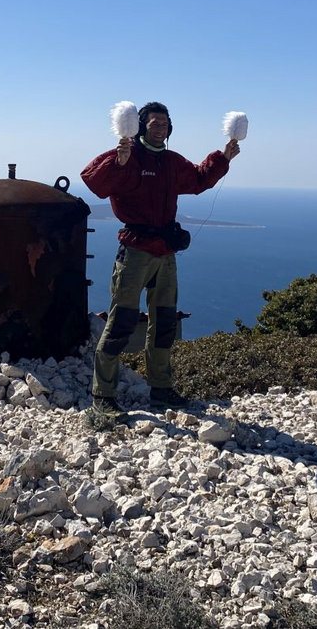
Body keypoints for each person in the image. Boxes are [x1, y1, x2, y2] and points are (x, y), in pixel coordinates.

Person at [81, 102, 240, 416]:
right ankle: (102, 397)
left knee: (165, 322)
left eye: (165, 124)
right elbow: (94, 182)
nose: (161, 129)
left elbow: (198, 180)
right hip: (135, 251)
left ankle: (162, 391)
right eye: (155, 124)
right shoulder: (126, 156)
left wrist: (223, 157)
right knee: (121, 322)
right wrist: (119, 161)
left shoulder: (170, 161)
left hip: (165, 251)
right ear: (141, 126)